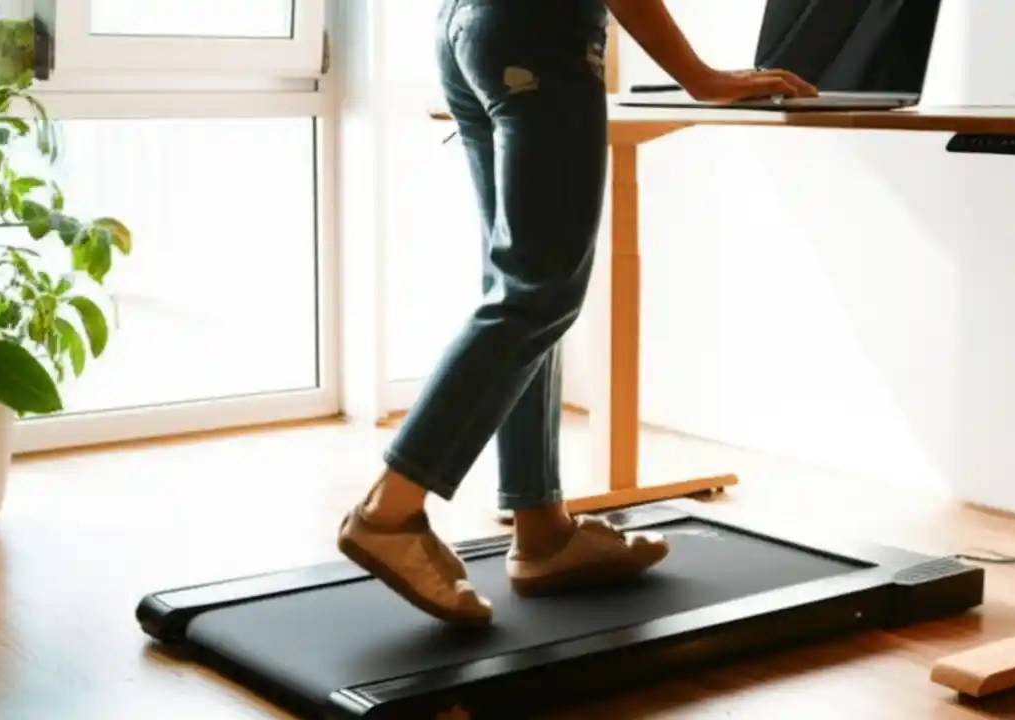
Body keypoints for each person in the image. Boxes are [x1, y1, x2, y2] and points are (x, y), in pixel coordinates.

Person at [338, 0, 815, 626]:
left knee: (520, 287)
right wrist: (701, 77)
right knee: (538, 291)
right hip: (538, 33)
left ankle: (543, 531)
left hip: (471, 29)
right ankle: (390, 512)